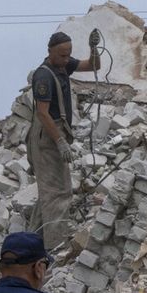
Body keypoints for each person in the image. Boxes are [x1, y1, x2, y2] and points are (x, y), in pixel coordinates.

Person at [26, 31, 103, 248]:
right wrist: (59, 141)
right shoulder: (43, 76)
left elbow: (93, 66)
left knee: (51, 192)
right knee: (57, 193)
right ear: (50, 51)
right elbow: (42, 113)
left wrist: (93, 48)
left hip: (56, 132)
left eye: (69, 55)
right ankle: (54, 246)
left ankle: (33, 240)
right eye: (62, 55)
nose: (66, 59)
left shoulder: (63, 65)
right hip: (46, 136)